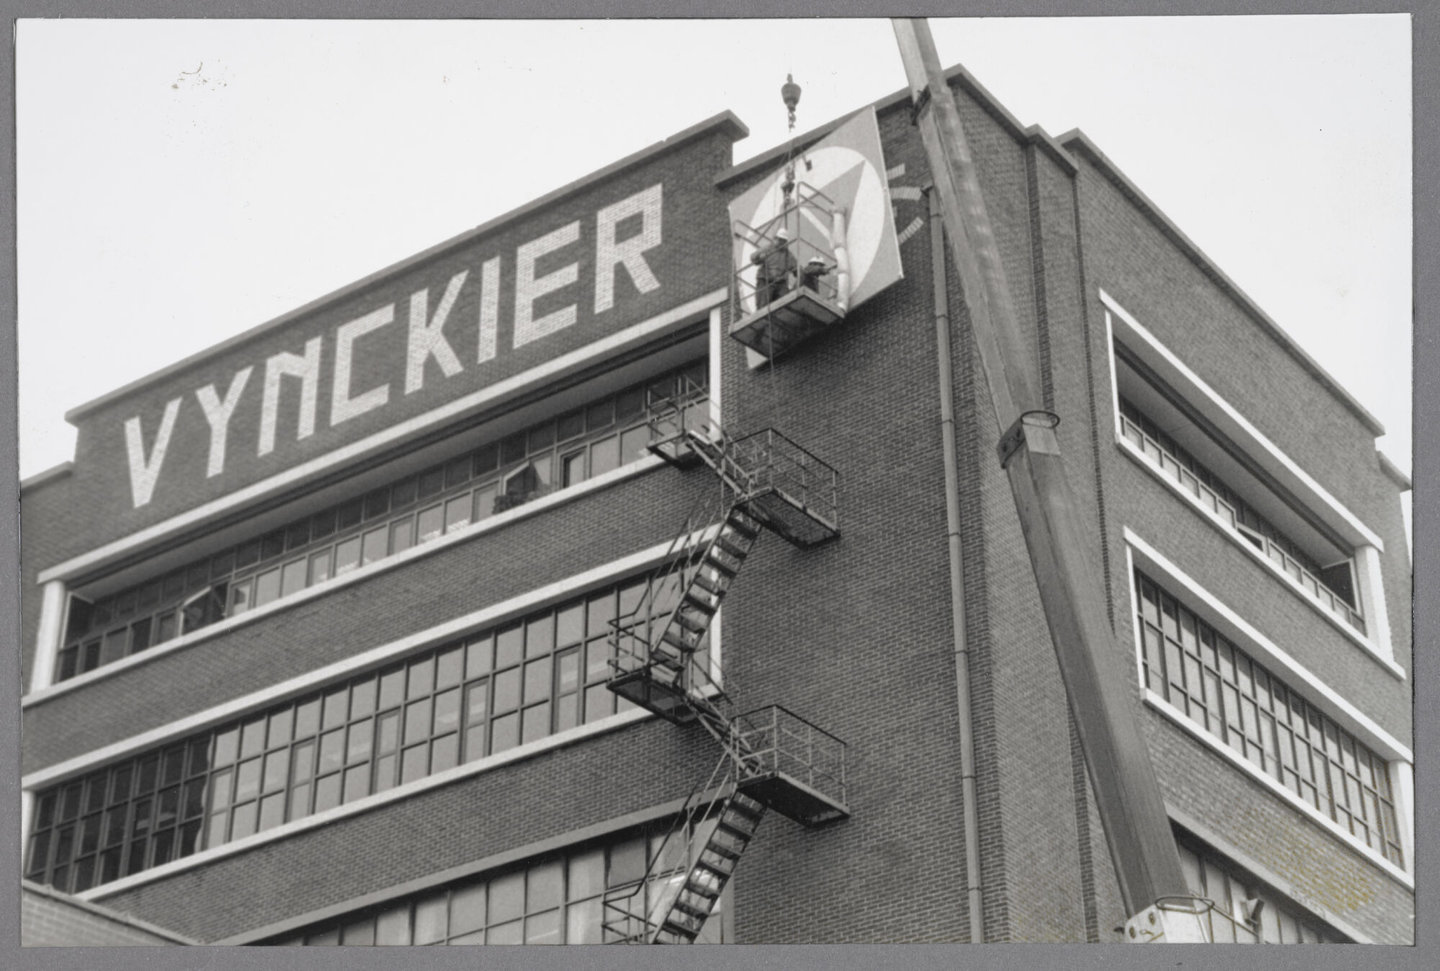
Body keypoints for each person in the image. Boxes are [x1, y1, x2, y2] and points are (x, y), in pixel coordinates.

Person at [751, 228, 796, 308]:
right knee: (763, 306)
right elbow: (753, 258)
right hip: (766, 281)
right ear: (776, 239)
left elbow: (795, 267)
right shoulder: (768, 248)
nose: (781, 242)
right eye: (780, 240)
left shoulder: (788, 254)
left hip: (780, 282)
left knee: (785, 303)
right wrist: (760, 257)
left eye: (783, 241)